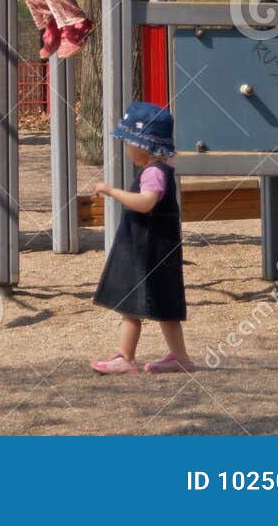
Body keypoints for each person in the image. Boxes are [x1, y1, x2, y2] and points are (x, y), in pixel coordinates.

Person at [91, 101, 194, 374]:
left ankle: (126, 357)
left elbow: (146, 203)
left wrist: (112, 192)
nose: (126, 149)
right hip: (155, 250)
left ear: (144, 145)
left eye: (128, 143)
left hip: (148, 252)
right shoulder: (160, 169)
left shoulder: (154, 173)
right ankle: (180, 358)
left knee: (132, 304)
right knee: (164, 305)